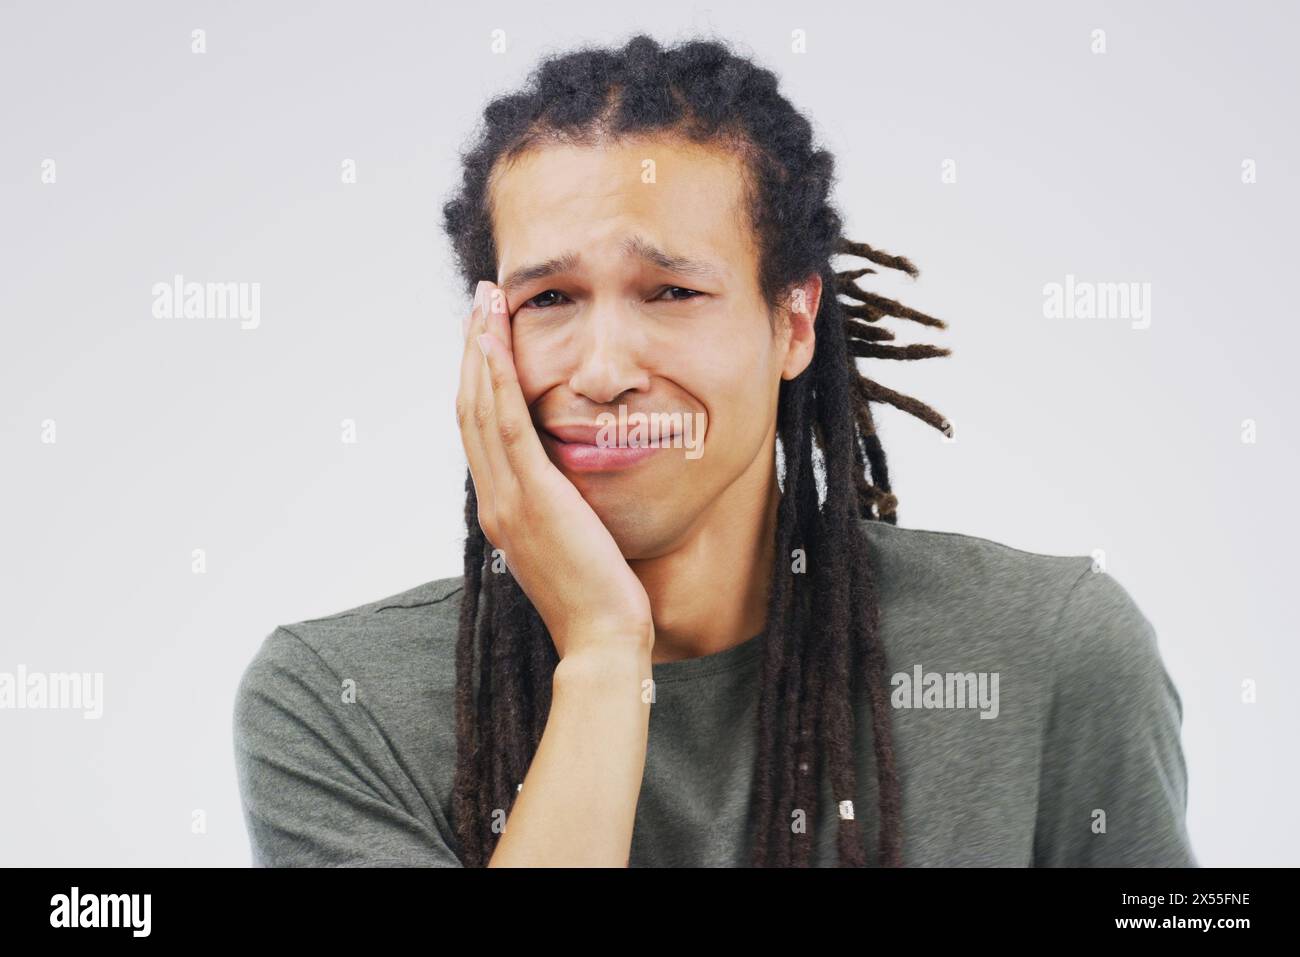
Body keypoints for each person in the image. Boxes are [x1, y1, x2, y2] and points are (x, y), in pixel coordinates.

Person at [233, 34, 1196, 868]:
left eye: (671, 292)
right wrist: (606, 653)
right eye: (549, 300)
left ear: (793, 320)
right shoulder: (334, 703)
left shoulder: (1051, 650)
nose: (603, 369)